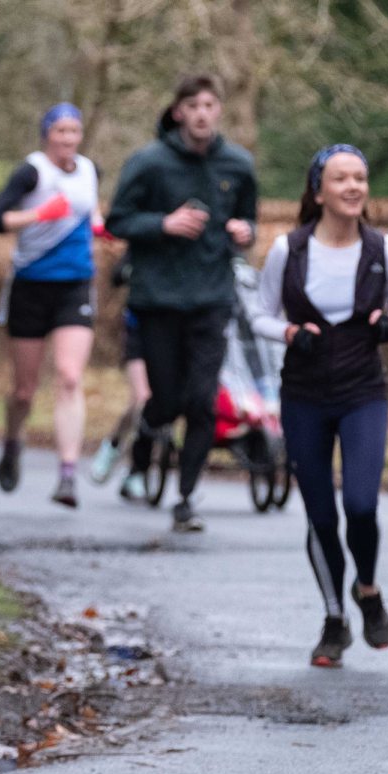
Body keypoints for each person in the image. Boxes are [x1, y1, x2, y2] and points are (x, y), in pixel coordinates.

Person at [255, 145, 388, 668]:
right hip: (303, 394)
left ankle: (367, 592)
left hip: (361, 392)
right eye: (341, 178)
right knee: (321, 515)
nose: (353, 187)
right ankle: (333, 619)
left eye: (360, 178)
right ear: (318, 190)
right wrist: (287, 332)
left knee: (362, 506)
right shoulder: (289, 249)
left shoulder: (384, 250)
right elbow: (259, 314)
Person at [106, 74, 259, 532]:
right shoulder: (149, 162)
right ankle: (141, 451)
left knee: (203, 401)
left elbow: (248, 219)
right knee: (166, 400)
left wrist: (245, 232)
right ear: (178, 112)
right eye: (193, 105)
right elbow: (117, 220)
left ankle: (187, 499)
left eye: (210, 105)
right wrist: (164, 223)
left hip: (212, 298)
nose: (202, 113)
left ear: (219, 111)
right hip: (158, 299)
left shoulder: (238, 164)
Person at [0, 102, 103, 508]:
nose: (68, 139)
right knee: (24, 391)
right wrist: (39, 214)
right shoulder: (31, 171)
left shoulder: (90, 170)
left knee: (70, 377)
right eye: (60, 131)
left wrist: (101, 227)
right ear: (46, 135)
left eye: (75, 131)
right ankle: (13, 441)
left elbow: (91, 210)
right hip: (30, 286)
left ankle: (68, 475)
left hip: (76, 285)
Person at [87, 254, 151, 501]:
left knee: (163, 406)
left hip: (176, 336)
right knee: (142, 399)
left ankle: (137, 471)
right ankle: (113, 446)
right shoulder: (146, 239)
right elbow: (117, 275)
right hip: (139, 333)